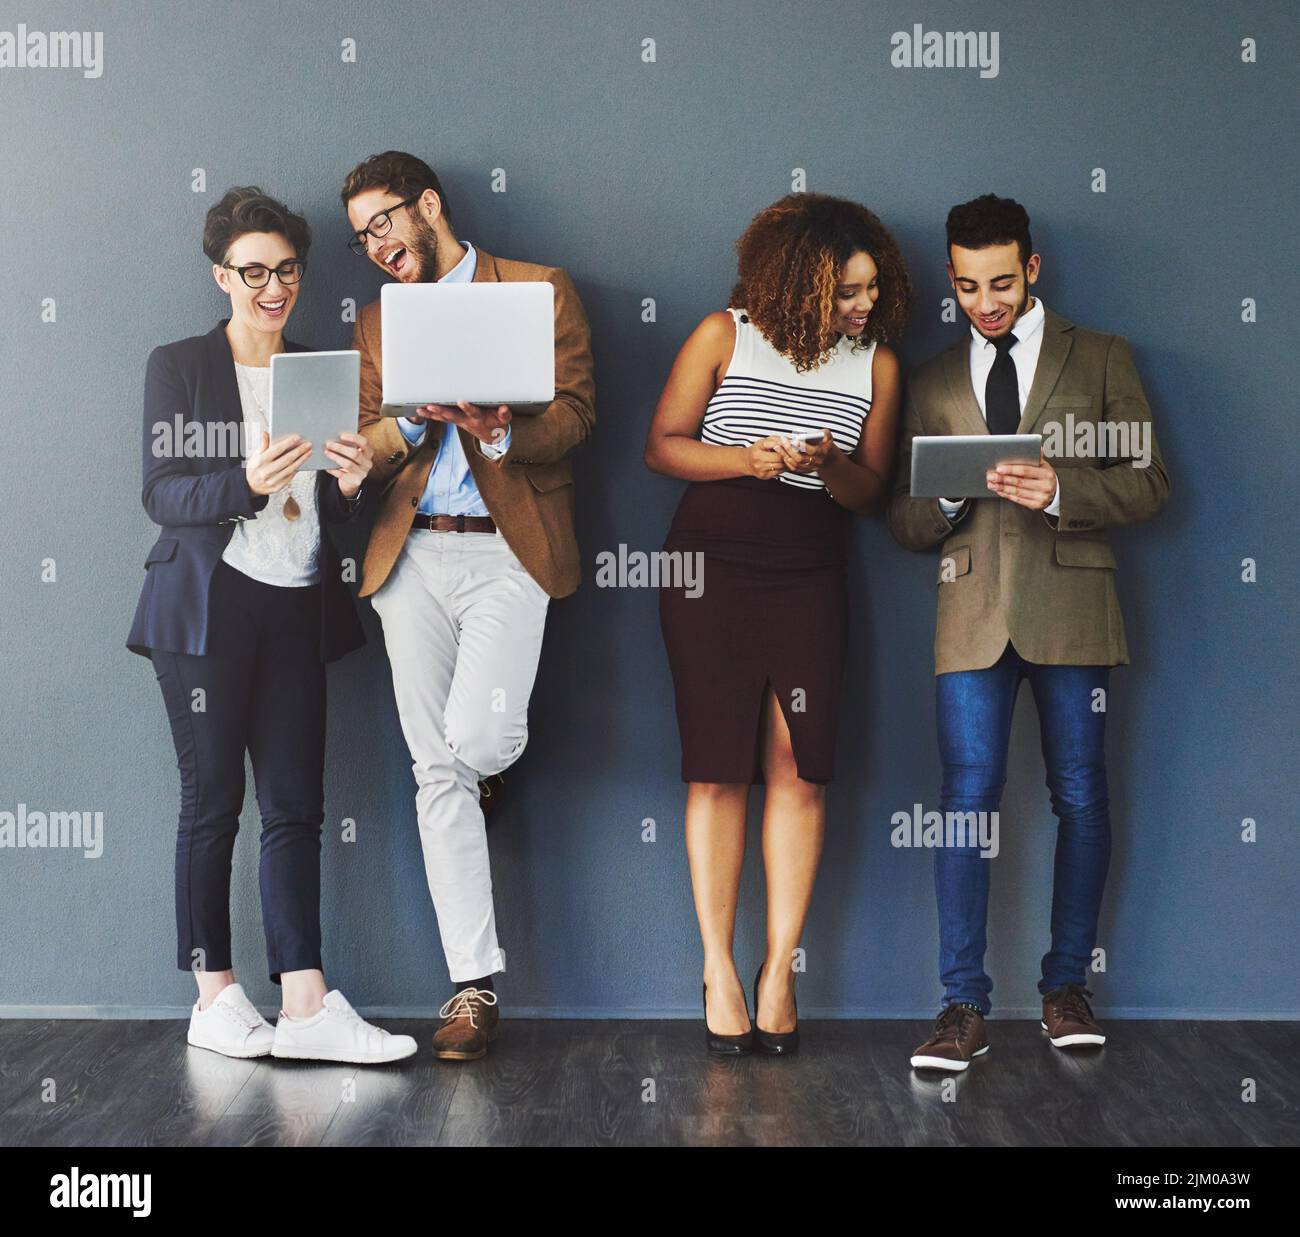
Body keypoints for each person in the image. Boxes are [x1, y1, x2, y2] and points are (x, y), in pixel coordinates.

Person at [127, 186, 416, 1064]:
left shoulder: (319, 369)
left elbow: (329, 510)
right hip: (207, 608)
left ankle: (306, 1002)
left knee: (296, 808)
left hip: (296, 599)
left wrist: (355, 481)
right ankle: (212, 998)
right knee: (213, 804)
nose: (272, 288)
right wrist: (245, 484)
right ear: (223, 275)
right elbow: (161, 492)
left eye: (286, 270)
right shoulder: (179, 364)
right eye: (253, 273)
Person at [887, 194, 1169, 1072]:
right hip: (969, 614)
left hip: (1073, 606)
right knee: (963, 805)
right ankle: (961, 1004)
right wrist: (939, 497)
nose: (987, 302)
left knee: (1080, 794)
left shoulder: (1104, 356)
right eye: (969, 286)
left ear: (1033, 269)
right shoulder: (930, 378)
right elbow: (900, 517)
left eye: (1001, 282)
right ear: (953, 280)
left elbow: (1153, 480)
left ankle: (1064, 988)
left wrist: (1061, 491)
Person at [340, 151, 595, 1061]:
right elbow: (369, 436)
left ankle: (493, 765)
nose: (374, 245)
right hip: (410, 555)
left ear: (429, 207)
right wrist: (402, 426)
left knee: (476, 744)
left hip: (508, 550)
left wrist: (500, 428)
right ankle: (472, 987)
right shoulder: (378, 322)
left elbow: (577, 411)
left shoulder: (536, 288)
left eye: (384, 222)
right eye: (361, 234)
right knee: (433, 771)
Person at [645, 193, 907, 1054]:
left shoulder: (878, 367)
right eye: (845, 292)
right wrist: (748, 459)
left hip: (811, 566)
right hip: (710, 562)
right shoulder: (726, 333)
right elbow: (663, 446)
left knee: (800, 766)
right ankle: (718, 967)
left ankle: (778, 967)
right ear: (799, 285)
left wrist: (830, 463)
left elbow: (872, 494)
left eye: (869, 289)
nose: (862, 306)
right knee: (716, 767)